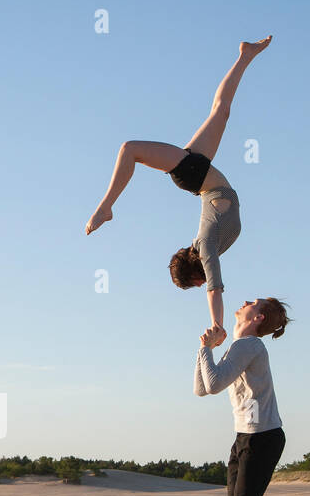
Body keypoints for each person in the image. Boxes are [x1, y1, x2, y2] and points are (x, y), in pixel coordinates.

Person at [85, 36, 272, 335]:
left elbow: (215, 290)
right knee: (221, 110)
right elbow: (212, 286)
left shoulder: (207, 248)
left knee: (129, 148)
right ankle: (245, 56)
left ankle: (105, 208)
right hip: (199, 178)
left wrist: (217, 325)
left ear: (196, 275)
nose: (202, 284)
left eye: (196, 283)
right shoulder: (210, 246)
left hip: (195, 177)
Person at [194, 298, 290, 496]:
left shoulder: (250, 346)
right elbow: (201, 388)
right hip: (244, 436)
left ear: (258, 317)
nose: (245, 301)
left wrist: (206, 349)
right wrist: (206, 350)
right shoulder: (238, 348)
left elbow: (211, 385)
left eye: (253, 302)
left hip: (263, 436)